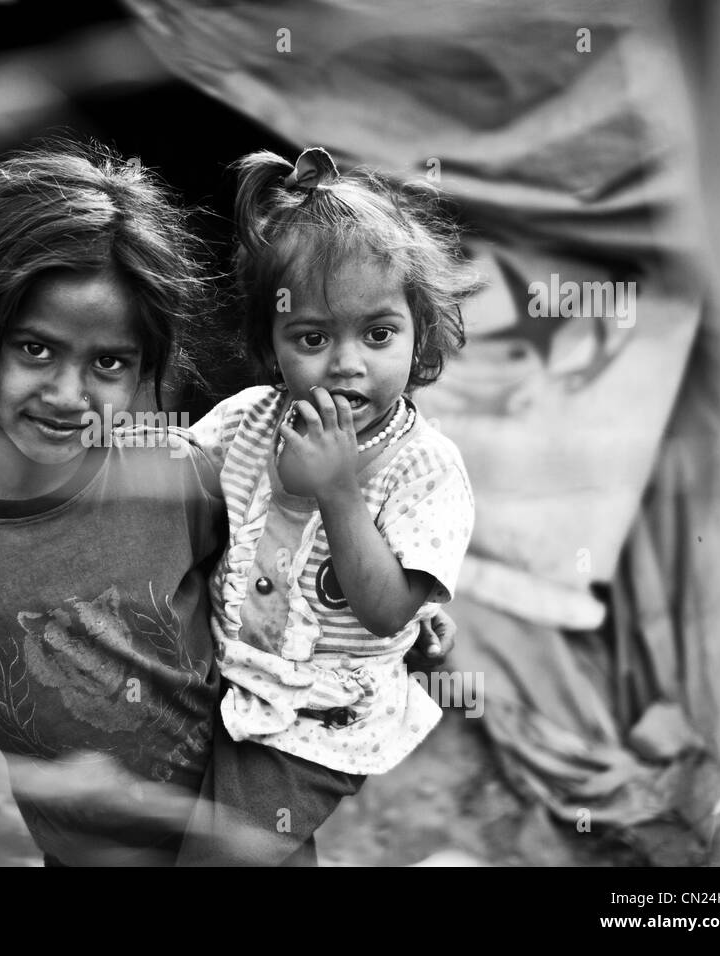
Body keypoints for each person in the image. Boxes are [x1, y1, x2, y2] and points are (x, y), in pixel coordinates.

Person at [0, 139, 456, 866]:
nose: (68, 394)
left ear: (144, 369)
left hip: (242, 824)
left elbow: (301, 565)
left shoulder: (178, 477)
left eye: (109, 362)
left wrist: (400, 616)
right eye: (35, 349)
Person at [178, 147, 483, 865]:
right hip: (231, 677)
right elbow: (171, 486)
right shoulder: (248, 420)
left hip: (323, 713)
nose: (347, 364)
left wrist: (339, 492)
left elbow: (386, 611)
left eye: (378, 334)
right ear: (270, 341)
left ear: (420, 333)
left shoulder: (424, 468)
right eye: (313, 338)